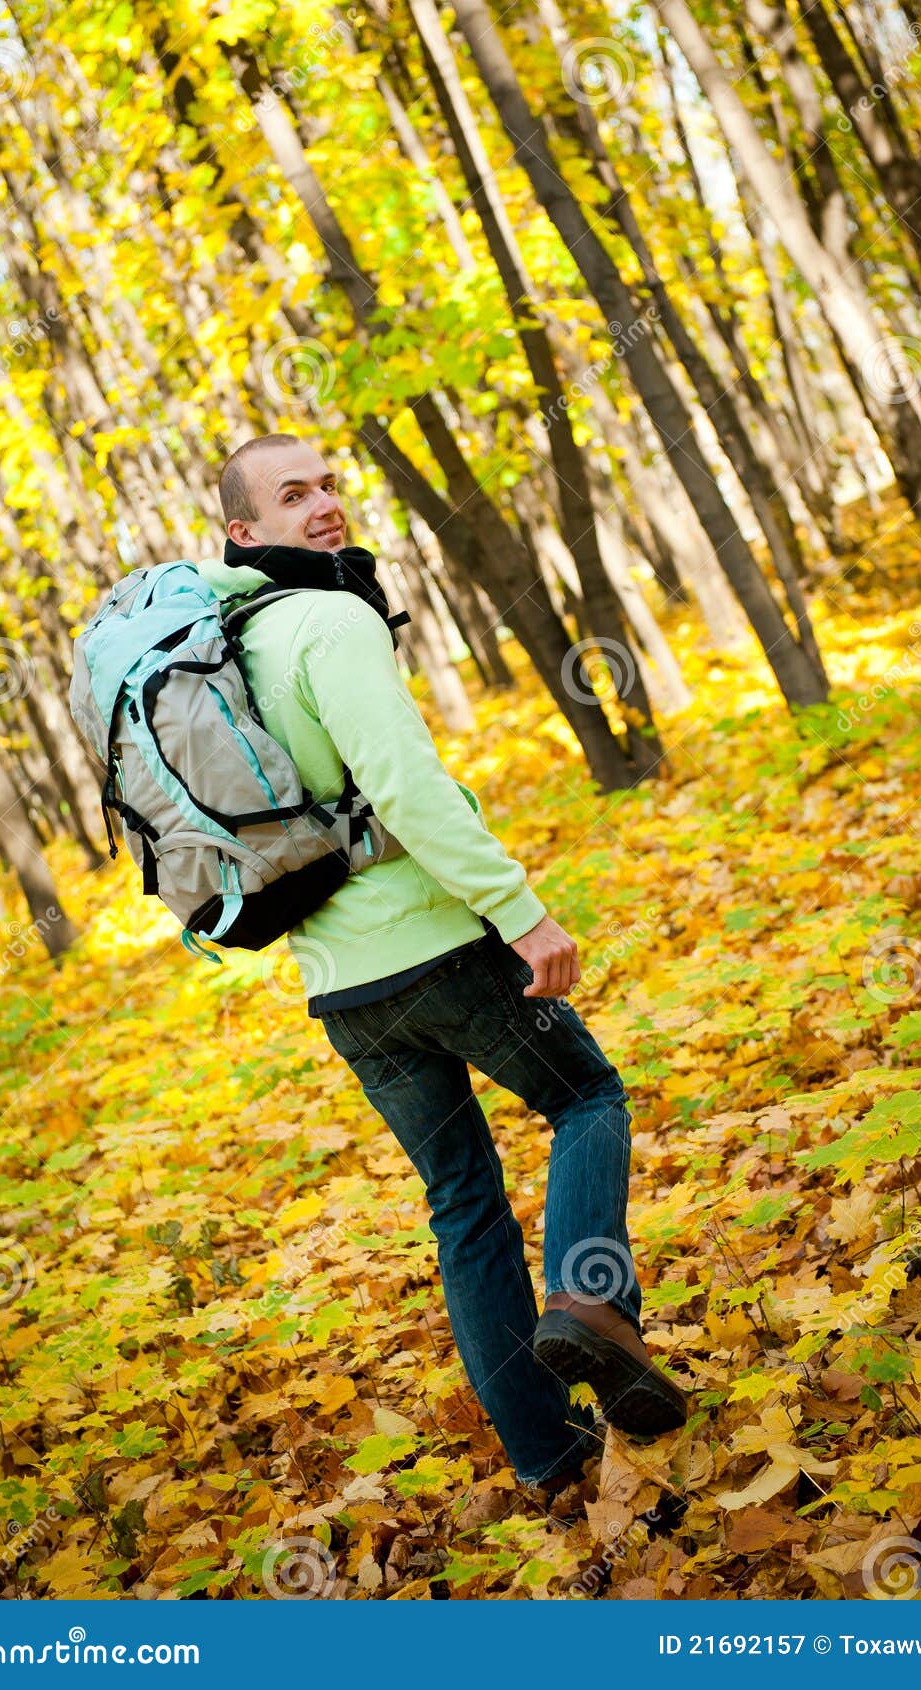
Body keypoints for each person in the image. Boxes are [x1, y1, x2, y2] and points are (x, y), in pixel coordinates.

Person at [196, 433, 689, 1495]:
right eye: (294, 495)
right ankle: (592, 1305)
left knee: (463, 1199)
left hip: (343, 988)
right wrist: (521, 913)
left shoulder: (228, 646)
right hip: (434, 944)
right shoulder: (328, 618)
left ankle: (547, 1461)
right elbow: (406, 786)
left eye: (329, 483)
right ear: (246, 531)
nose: (325, 504)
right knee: (588, 1098)